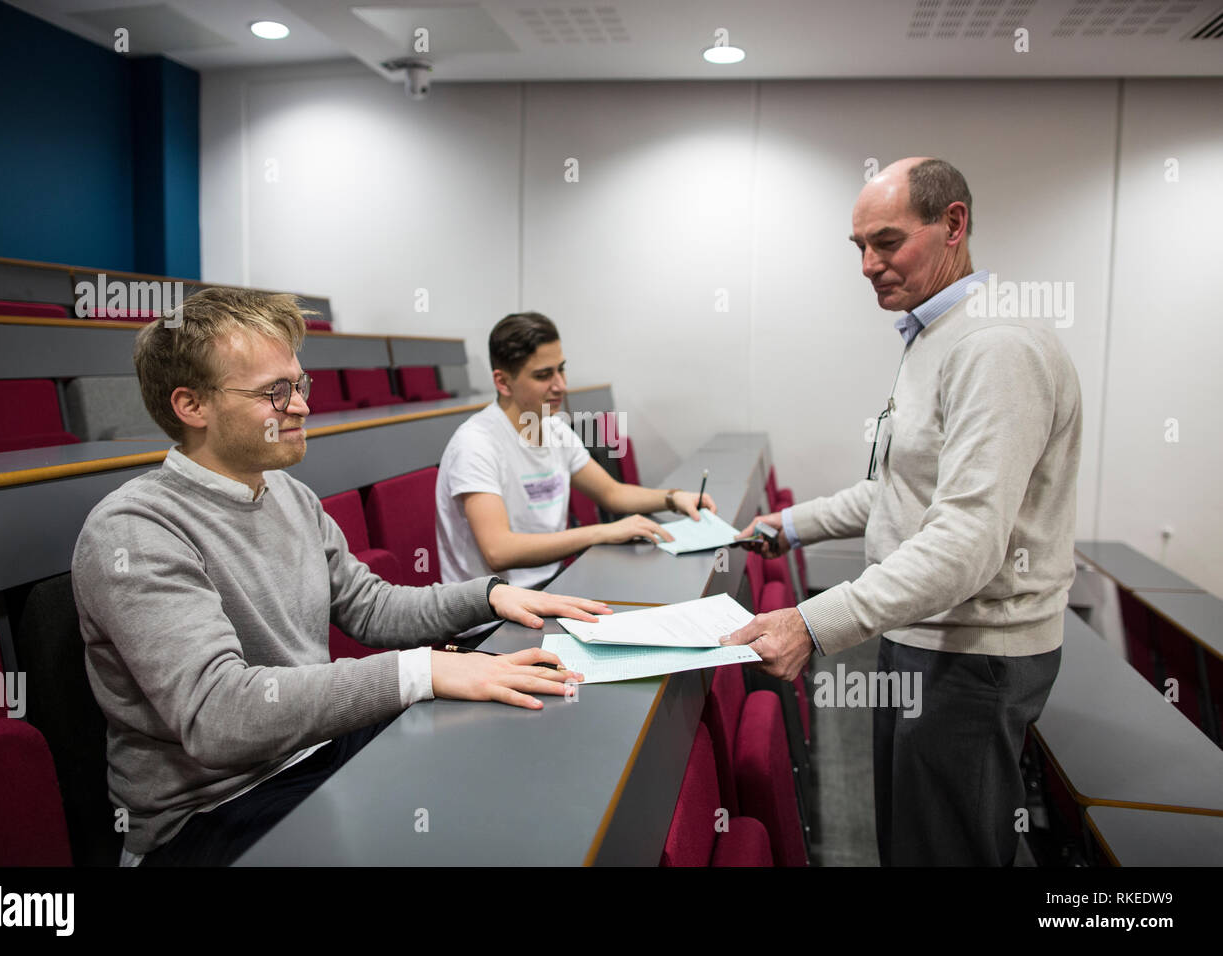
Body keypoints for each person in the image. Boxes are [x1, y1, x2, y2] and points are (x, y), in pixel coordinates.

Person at [72, 288, 608, 866]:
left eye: (299, 385)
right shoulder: (134, 530)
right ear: (191, 406)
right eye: (274, 393)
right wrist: (425, 670)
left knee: (499, 783)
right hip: (210, 814)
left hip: (314, 757)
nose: (300, 406)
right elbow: (216, 715)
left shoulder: (288, 495)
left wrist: (493, 595)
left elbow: (370, 608)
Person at [725, 157, 1082, 866]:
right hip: (922, 633)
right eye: (858, 247)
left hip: (970, 655)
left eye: (886, 242)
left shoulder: (992, 345)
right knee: (914, 846)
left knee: (942, 853)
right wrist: (785, 528)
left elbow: (968, 542)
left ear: (953, 224)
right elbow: (900, 488)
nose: (867, 264)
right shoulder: (935, 333)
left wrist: (812, 622)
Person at [435, 311, 716, 591]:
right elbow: (499, 550)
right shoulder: (475, 444)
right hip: (489, 615)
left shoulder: (554, 428)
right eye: (544, 375)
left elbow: (612, 493)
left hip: (550, 587)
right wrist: (602, 532)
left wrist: (674, 498)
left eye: (561, 369)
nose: (561, 385)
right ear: (503, 382)